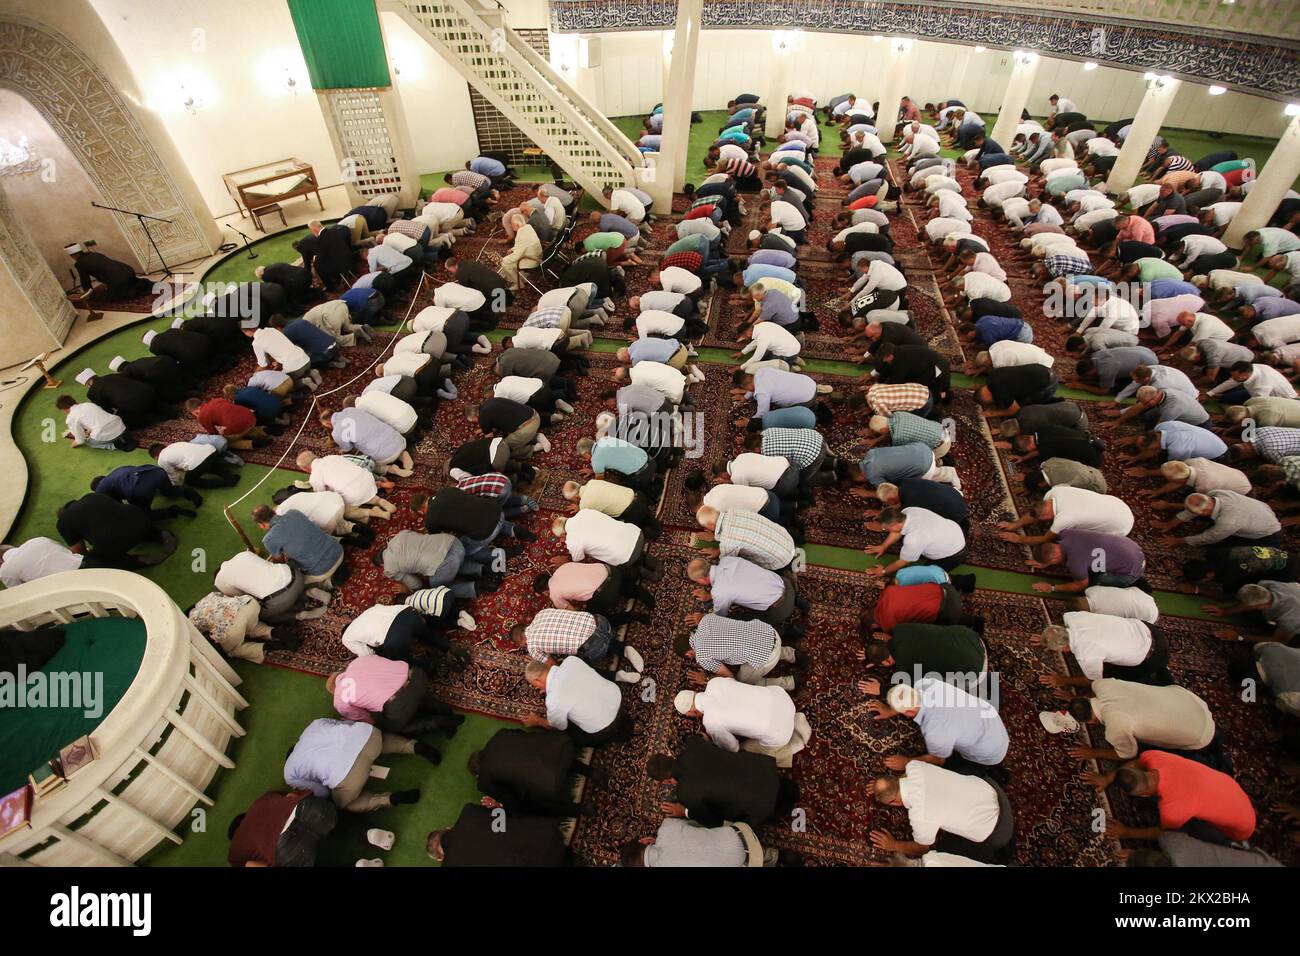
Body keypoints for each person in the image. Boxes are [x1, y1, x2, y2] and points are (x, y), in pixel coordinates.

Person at [870, 762, 1015, 864]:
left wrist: (893, 845)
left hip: (998, 832)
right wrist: (884, 788)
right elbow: (901, 781)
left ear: (894, 803)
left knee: (939, 854)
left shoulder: (920, 817)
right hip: (995, 792)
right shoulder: (914, 767)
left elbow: (921, 848)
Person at [1102, 751, 1255, 846]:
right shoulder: (1154, 757)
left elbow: (1163, 833)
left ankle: (1234, 846)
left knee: (1182, 836)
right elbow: (1135, 763)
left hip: (1240, 828)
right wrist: (1109, 778)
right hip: (1232, 787)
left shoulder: (1173, 808)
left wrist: (1127, 832)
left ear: (1143, 794)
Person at [283, 717, 433, 812]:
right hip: (368, 736)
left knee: (344, 804)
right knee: (383, 740)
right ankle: (414, 746)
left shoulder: (289, 772)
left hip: (349, 776)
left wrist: (335, 793)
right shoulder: (313, 725)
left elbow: (320, 791)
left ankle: (389, 799)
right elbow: (346, 723)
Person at [648, 736, 797, 827]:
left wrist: (685, 812)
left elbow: (714, 822)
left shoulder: (686, 795)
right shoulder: (694, 744)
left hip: (762, 805)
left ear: (666, 781)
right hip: (764, 771)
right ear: (668, 755)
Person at [873, 679, 1009, 774]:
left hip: (990, 751)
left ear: (909, 713)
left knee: (950, 770)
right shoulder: (926, 683)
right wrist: (891, 711)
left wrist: (907, 762)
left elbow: (937, 760)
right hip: (992, 720)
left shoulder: (935, 731)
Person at [674, 677, 810, 764]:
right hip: (782, 698)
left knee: (748, 754)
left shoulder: (711, 722)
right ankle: (795, 718)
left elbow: (732, 748)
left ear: (692, 712)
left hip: (779, 732)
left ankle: (795, 744)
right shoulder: (714, 682)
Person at [326, 655, 462, 741]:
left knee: (393, 727)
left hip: (401, 703)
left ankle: (440, 722)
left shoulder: (340, 700)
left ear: (334, 690)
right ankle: (445, 710)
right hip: (417, 675)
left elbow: (367, 719)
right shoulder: (358, 661)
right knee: (416, 698)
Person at [469, 728, 595, 817]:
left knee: (529, 806)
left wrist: (499, 805)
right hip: (561, 747)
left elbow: (512, 803)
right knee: (545, 757)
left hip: (551, 782)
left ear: (477, 774)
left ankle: (582, 809)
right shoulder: (499, 735)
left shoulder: (484, 781)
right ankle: (593, 772)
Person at [676, 613, 805, 690]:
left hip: (768, 657)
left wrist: (706, 680)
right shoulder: (705, 619)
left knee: (742, 685)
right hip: (770, 632)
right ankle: (791, 654)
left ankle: (790, 683)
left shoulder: (702, 657)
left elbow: (729, 677)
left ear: (689, 654)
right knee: (751, 643)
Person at [522, 656, 632, 746]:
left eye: (535, 686)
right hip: (617, 697)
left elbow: (555, 725)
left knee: (567, 732)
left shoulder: (553, 700)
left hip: (604, 727)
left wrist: (538, 721)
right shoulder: (571, 661)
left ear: (537, 682)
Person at [56, 493, 176, 569]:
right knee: (127, 524)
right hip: (140, 517)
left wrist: (91, 552)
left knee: (97, 559)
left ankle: (139, 561)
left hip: (114, 540)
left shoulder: (63, 523)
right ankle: (161, 534)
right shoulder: (91, 496)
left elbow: (79, 551)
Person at [427, 804, 570, 866]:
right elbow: (503, 817)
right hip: (548, 839)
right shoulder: (468, 811)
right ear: (448, 828)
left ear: (440, 858)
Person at [227, 790, 339, 867]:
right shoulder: (261, 801)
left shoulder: (235, 853)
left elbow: (253, 865)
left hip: (291, 850)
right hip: (315, 810)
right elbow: (291, 796)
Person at [91, 463, 202, 520]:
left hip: (140, 489)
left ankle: (173, 511)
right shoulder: (115, 473)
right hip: (156, 472)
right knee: (170, 492)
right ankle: (194, 496)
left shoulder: (100, 491)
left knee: (142, 514)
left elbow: (119, 507)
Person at [56, 396, 134, 451]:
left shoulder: (70, 418)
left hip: (105, 434)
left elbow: (80, 438)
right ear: (74, 401)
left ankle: (115, 446)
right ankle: (123, 437)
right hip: (120, 424)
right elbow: (99, 417)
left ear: (64, 409)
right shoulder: (88, 404)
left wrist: (76, 442)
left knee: (87, 441)